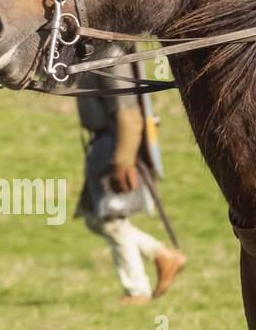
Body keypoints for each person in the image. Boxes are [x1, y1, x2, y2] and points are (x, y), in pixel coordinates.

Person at [76, 58, 185, 303]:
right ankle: (162, 255)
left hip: (114, 145)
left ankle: (137, 290)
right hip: (101, 142)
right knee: (95, 218)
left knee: (110, 220)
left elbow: (129, 112)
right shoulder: (89, 51)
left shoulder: (112, 54)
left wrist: (123, 161)